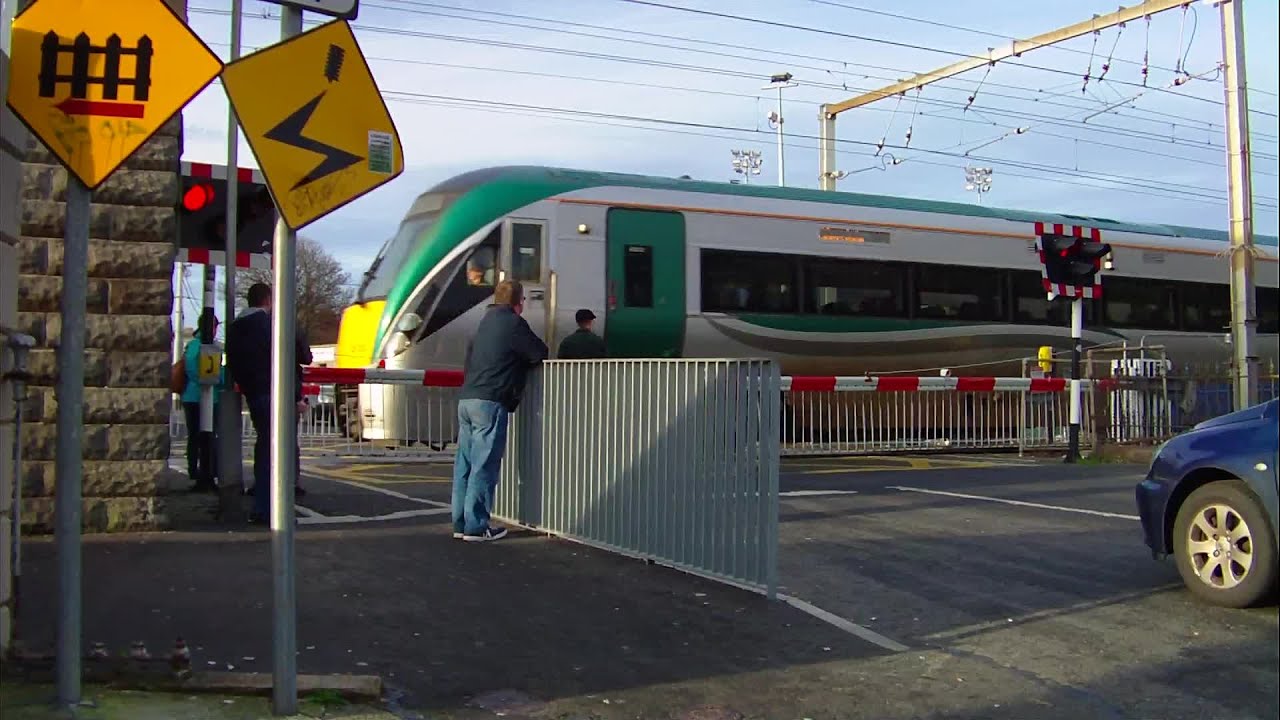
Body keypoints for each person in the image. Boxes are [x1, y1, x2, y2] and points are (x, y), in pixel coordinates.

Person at [452, 279, 548, 542]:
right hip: (490, 400)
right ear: (519, 303)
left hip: (467, 399)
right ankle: (476, 526)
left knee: (465, 465)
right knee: (484, 465)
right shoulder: (513, 323)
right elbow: (538, 352)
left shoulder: (482, 323)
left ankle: (460, 523)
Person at [226, 283, 307, 523]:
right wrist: (295, 398)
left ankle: (262, 506)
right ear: (269, 300)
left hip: (254, 394)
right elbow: (293, 358)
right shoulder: (272, 325)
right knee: (279, 454)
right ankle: (276, 509)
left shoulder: (235, 328)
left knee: (264, 450)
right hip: (276, 394)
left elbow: (234, 364)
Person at [181, 315, 225, 492]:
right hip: (198, 397)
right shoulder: (199, 346)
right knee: (201, 436)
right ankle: (199, 471)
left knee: (200, 436)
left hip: (197, 396)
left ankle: (202, 470)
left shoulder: (197, 345)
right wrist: (210, 381)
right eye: (214, 327)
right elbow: (192, 367)